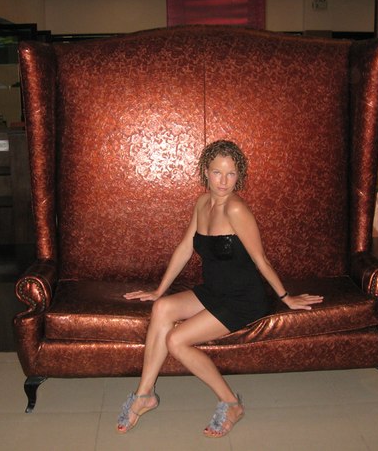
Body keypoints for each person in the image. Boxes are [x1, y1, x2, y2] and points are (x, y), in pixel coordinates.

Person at [117, 140, 323, 437]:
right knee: (161, 308)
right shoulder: (202, 203)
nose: (224, 181)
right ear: (205, 171)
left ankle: (230, 403)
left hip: (242, 298)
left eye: (231, 174)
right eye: (217, 173)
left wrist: (285, 297)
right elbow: (185, 248)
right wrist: (159, 290)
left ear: (240, 175)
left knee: (176, 341)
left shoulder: (236, 209)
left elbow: (261, 259)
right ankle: (144, 395)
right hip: (213, 290)